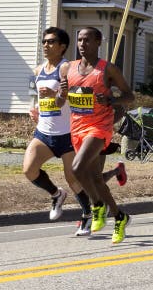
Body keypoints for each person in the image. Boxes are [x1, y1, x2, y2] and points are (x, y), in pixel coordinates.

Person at [25, 27, 100, 236]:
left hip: (67, 132)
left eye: (50, 42)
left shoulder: (67, 68)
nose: (46, 46)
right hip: (44, 132)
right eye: (44, 42)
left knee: (73, 177)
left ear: (62, 46)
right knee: (29, 170)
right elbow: (39, 96)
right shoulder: (39, 70)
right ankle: (56, 195)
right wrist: (37, 109)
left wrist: (57, 93)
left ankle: (87, 214)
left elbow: (77, 94)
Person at [67, 27, 134, 243]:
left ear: (98, 42)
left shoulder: (108, 69)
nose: (82, 44)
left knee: (77, 168)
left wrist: (111, 101)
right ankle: (119, 217)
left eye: (87, 40)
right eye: (79, 40)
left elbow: (129, 96)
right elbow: (62, 98)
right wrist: (57, 93)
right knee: (96, 179)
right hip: (77, 127)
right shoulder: (69, 68)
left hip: (99, 127)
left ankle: (96, 206)